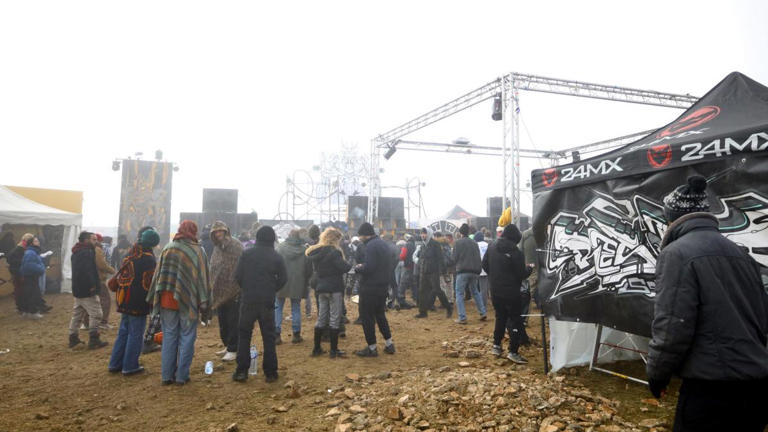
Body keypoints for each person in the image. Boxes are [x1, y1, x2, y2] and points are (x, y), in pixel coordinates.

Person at [646, 176, 768, 432]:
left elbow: (672, 326)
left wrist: (658, 375)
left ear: (672, 218)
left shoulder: (676, 253)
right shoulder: (741, 255)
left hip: (711, 390)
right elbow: (761, 319)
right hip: (755, 386)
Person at [146, 220, 210, 386]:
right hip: (189, 301)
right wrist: (204, 302)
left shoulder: (168, 248)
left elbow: (158, 276)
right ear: (194, 232)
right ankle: (182, 376)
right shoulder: (198, 251)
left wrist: (155, 297)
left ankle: (167, 376)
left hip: (167, 300)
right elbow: (203, 277)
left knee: (169, 337)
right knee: (187, 337)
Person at [232, 225, 286, 383]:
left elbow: (238, 276)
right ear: (272, 238)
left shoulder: (247, 254)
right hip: (267, 301)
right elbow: (283, 278)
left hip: (248, 300)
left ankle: (241, 371)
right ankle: (270, 373)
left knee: (244, 335)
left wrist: (247, 288)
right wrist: (272, 288)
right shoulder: (276, 256)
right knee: (268, 337)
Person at [107, 228, 160, 375]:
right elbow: (149, 283)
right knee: (136, 334)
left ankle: (115, 364)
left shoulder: (130, 254)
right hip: (138, 301)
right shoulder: (148, 258)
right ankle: (130, 366)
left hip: (124, 299)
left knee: (123, 332)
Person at [482, 224, 533, 364]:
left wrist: (495, 276)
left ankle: (496, 346)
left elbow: (484, 264)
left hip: (495, 291)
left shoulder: (491, 246)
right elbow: (521, 274)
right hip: (512, 292)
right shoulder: (516, 252)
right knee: (515, 320)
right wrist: (529, 269)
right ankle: (513, 351)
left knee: (500, 317)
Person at [307, 227, 352, 358]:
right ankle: (333, 350)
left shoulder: (316, 251)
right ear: (335, 239)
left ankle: (316, 349)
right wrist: (347, 263)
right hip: (334, 289)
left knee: (321, 318)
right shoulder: (335, 252)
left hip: (321, 288)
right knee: (334, 319)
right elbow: (345, 267)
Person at [353, 222, 395, 357]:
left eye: (360, 236)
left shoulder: (370, 246)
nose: (359, 239)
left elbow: (370, 267)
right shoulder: (383, 244)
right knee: (380, 315)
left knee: (367, 317)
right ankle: (389, 344)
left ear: (366, 235)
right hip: (382, 287)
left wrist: (359, 268)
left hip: (370, 288)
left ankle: (371, 348)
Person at [208, 221, 244, 362]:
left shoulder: (236, 245)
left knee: (233, 320)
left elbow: (241, 264)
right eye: (216, 232)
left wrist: (238, 284)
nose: (218, 234)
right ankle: (228, 345)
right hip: (219, 290)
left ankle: (234, 348)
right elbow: (215, 265)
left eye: (220, 231)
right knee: (223, 321)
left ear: (225, 231)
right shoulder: (217, 248)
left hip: (234, 290)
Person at [69, 231, 109, 349]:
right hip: (87, 289)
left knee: (77, 314)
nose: (96, 242)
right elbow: (88, 271)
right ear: (86, 240)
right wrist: (93, 286)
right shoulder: (87, 252)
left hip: (78, 288)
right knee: (97, 314)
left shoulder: (76, 252)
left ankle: (73, 338)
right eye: (93, 239)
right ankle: (94, 339)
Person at [276, 229, 311, 344]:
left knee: (278, 308)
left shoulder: (280, 248)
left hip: (281, 282)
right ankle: (296, 335)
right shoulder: (304, 250)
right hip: (298, 282)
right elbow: (308, 270)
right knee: (296, 308)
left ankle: (276, 335)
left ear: (288, 235)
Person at [414, 228, 453, 319]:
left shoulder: (435, 244)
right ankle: (423, 312)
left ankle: (448, 307)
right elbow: (421, 258)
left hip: (433, 272)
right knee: (422, 291)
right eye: (422, 234)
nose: (423, 235)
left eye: (424, 234)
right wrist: (420, 264)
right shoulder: (423, 245)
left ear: (429, 234)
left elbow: (440, 259)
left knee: (437, 290)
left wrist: (443, 272)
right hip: (424, 272)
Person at [453, 224, 487, 324]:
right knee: (475, 292)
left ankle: (462, 317)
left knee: (459, 293)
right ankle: (483, 312)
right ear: (468, 232)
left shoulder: (458, 243)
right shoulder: (474, 243)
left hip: (462, 271)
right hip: (475, 271)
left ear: (460, 233)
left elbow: (454, 258)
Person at [19, 236, 47, 319]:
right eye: (36, 241)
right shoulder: (31, 253)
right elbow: (29, 265)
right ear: (31, 243)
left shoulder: (31, 252)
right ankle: (32, 312)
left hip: (30, 276)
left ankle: (27, 312)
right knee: (32, 294)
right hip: (31, 276)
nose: (38, 242)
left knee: (30, 293)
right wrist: (41, 268)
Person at [7, 233, 34, 314]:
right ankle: (21, 307)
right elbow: (11, 260)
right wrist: (24, 261)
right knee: (20, 290)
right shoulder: (19, 249)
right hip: (18, 273)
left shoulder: (19, 248)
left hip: (18, 272)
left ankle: (22, 306)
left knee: (20, 290)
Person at [94, 233, 116, 330]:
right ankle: (103, 322)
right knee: (105, 300)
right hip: (98, 278)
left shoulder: (87, 249)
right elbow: (102, 264)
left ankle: (86, 323)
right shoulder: (98, 250)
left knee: (90, 301)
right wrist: (113, 271)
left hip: (91, 279)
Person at [304, 224, 321, 317]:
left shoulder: (308, 242)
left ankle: (309, 311)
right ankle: (320, 313)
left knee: (309, 292)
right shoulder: (321, 242)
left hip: (311, 269)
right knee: (319, 294)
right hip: (319, 271)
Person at [474, 231, 490, 307]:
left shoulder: (475, 245)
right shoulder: (487, 245)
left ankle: (483, 306)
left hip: (480, 269)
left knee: (482, 289)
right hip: (489, 268)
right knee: (488, 288)